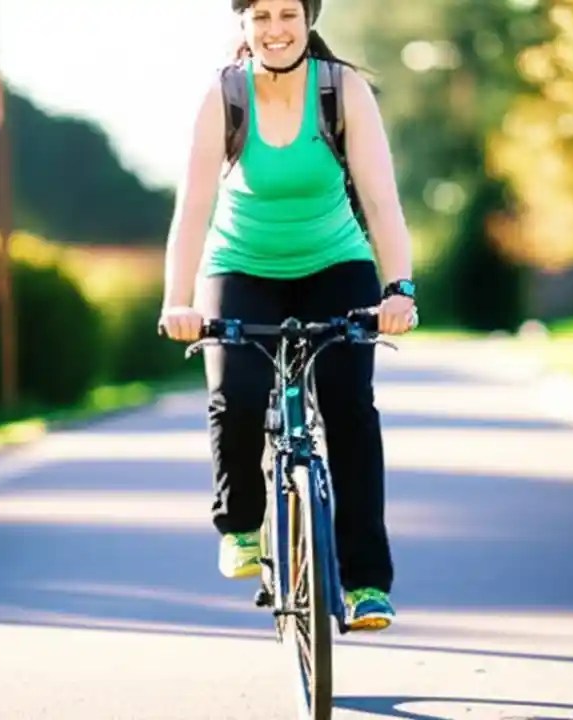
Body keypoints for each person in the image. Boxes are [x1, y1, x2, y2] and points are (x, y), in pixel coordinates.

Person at [157, 0, 417, 631]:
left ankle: (365, 584)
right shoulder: (223, 95)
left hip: (334, 262)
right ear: (243, 26)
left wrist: (399, 288)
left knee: (350, 406)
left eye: (288, 16)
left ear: (308, 21)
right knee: (237, 393)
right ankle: (242, 522)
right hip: (240, 265)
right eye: (262, 16)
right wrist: (178, 301)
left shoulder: (341, 89)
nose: (276, 29)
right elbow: (193, 207)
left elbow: (380, 198)